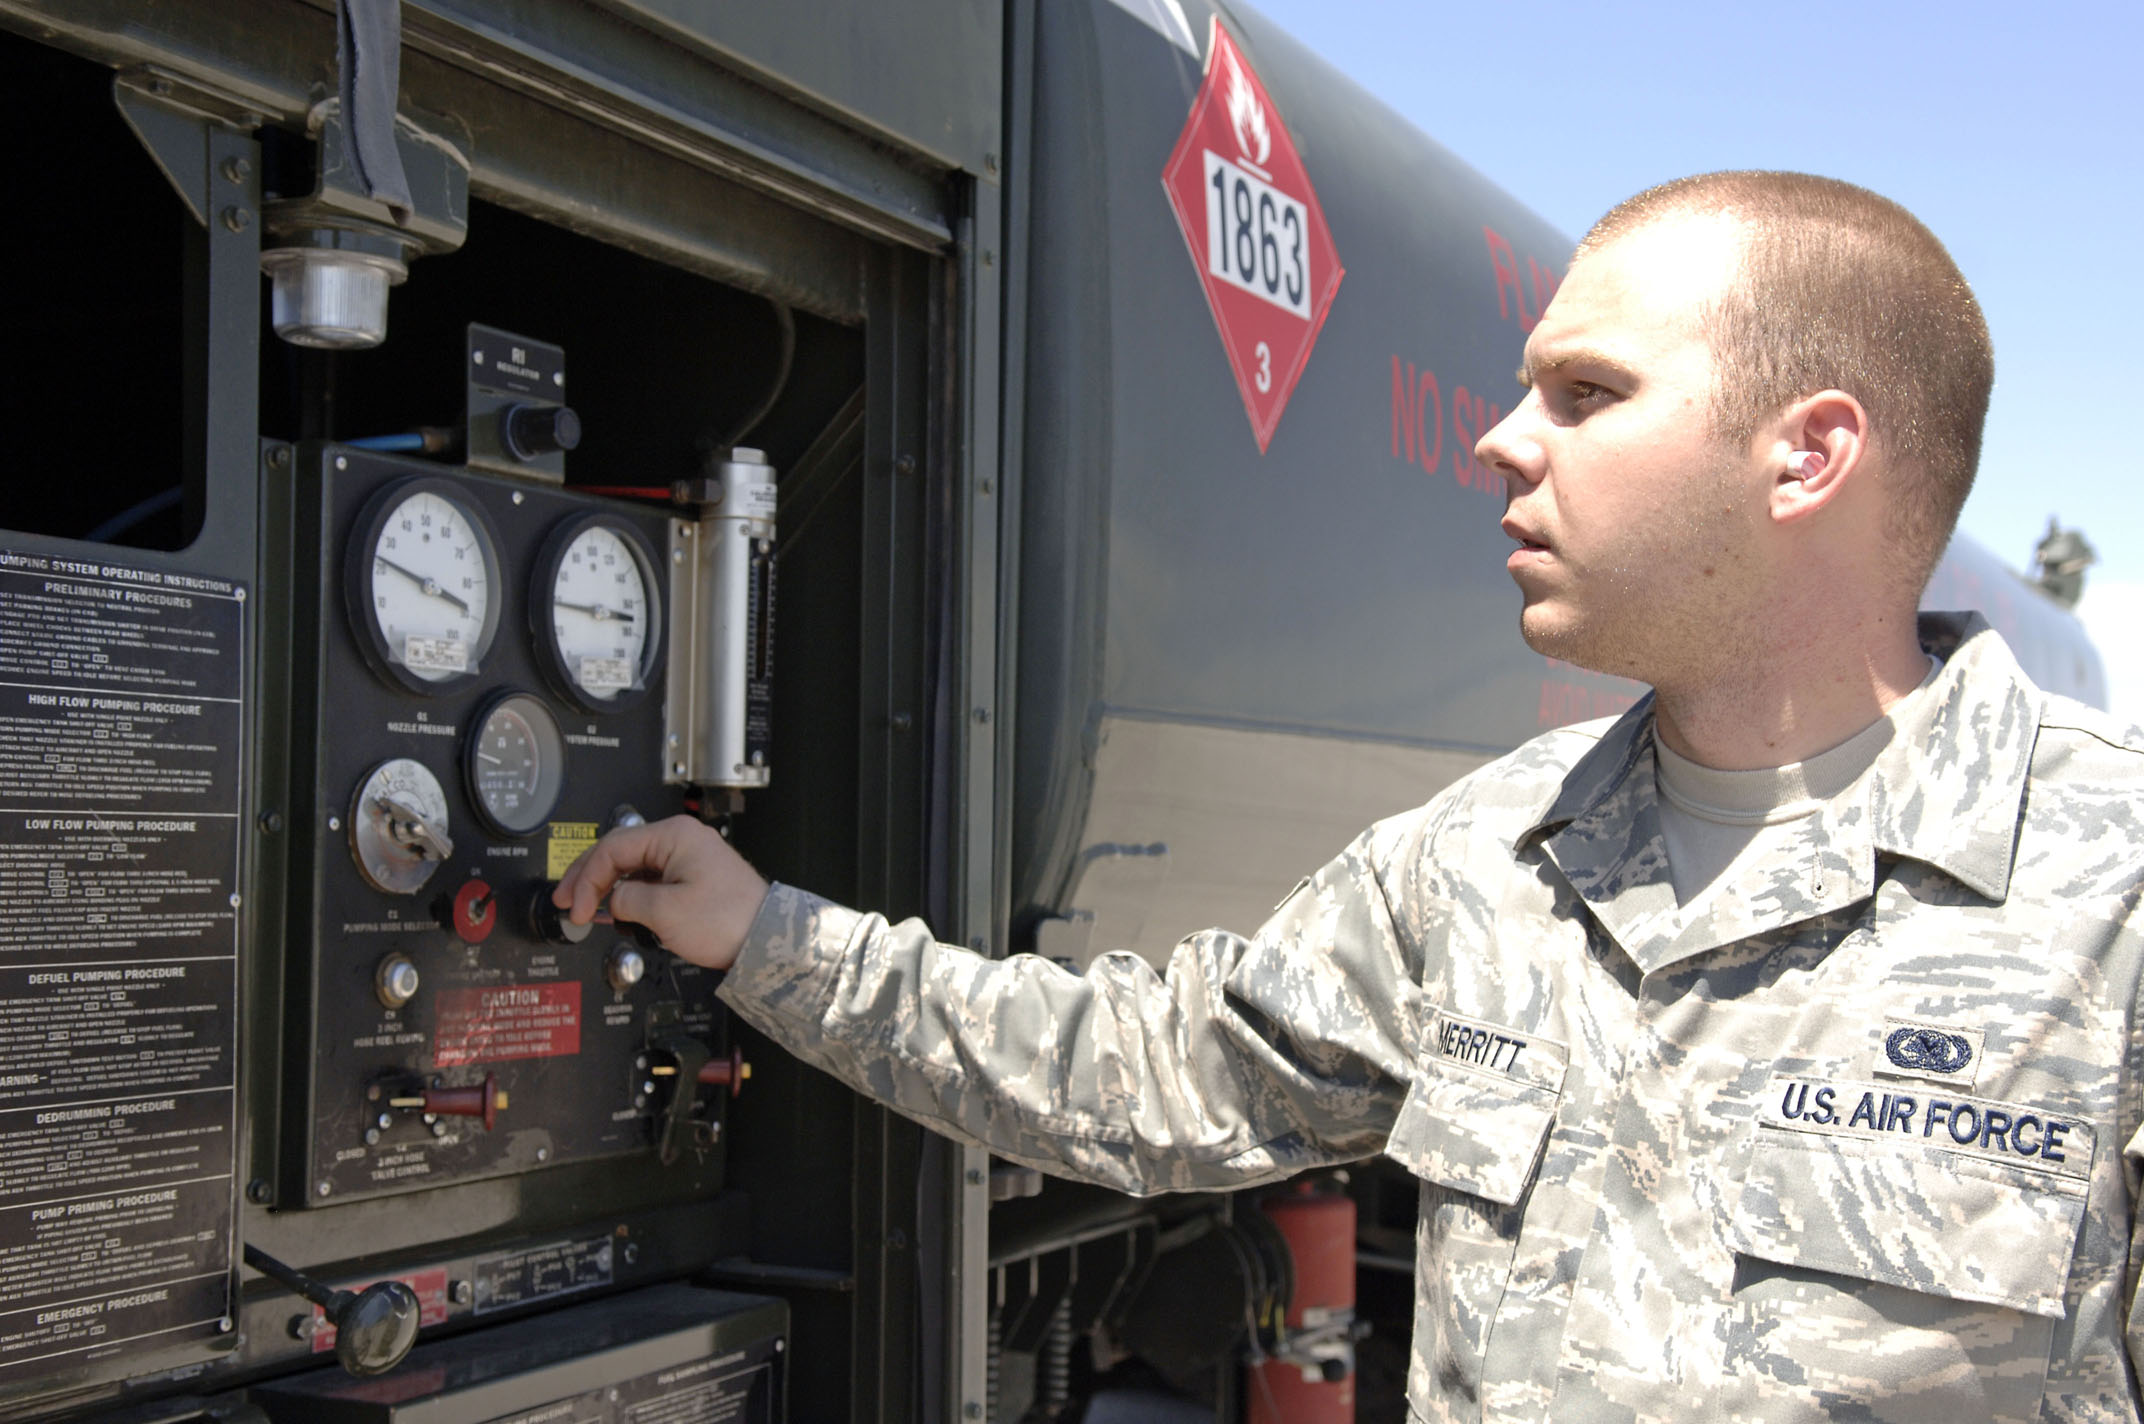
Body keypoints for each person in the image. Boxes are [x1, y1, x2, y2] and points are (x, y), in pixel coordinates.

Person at [556, 172, 2144, 1420]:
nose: (1499, 441)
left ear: (1808, 458)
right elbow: (1157, 1078)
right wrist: (768, 934)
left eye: (1587, 395)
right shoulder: (1490, 858)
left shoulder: (2109, 893)